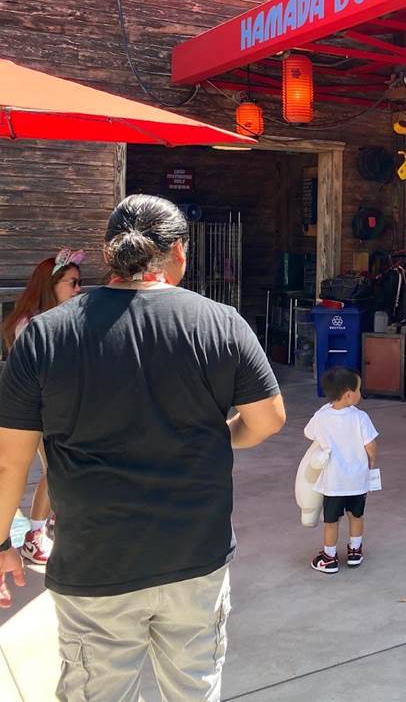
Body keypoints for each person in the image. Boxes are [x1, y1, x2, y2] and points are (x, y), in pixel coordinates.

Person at [0, 194, 285, 702]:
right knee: (193, 690)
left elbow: (10, 461)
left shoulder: (43, 337)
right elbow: (267, 420)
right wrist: (224, 436)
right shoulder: (220, 323)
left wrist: (2, 544)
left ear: (110, 254)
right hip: (196, 556)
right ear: (178, 251)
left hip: (95, 563)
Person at [1, 250, 84, 566]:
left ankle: (46, 528)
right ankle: (34, 536)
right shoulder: (32, 325)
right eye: (72, 283)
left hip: (53, 409)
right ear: (51, 285)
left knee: (56, 470)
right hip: (34, 412)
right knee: (51, 471)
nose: (78, 290)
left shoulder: (54, 321)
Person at [305, 367, 379, 574]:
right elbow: (371, 446)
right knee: (356, 516)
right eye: (359, 390)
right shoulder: (360, 417)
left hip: (333, 482)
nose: (361, 394)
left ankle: (329, 557)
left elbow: (308, 433)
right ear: (348, 394)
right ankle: (355, 552)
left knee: (331, 521)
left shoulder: (321, 417)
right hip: (356, 480)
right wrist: (371, 461)